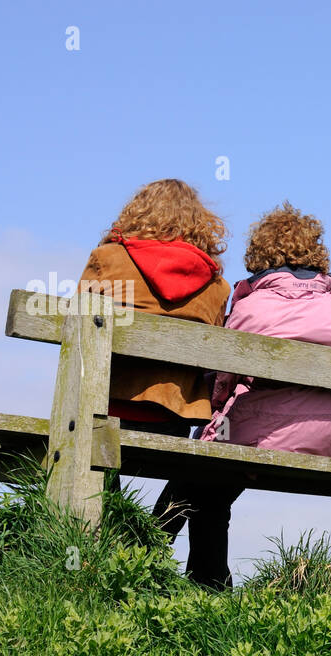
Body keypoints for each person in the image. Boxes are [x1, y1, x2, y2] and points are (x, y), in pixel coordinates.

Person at [167, 202, 331, 588]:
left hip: (264, 439)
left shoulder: (251, 306)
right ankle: (194, 575)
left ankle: (166, 564)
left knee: (202, 474)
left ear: (259, 254)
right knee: (207, 480)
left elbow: (221, 384)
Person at [76, 179, 231, 520]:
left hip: (108, 409)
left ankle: (103, 540)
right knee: (203, 469)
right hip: (173, 418)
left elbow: (77, 335)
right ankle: (152, 546)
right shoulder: (217, 285)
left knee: (85, 433)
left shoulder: (107, 260)